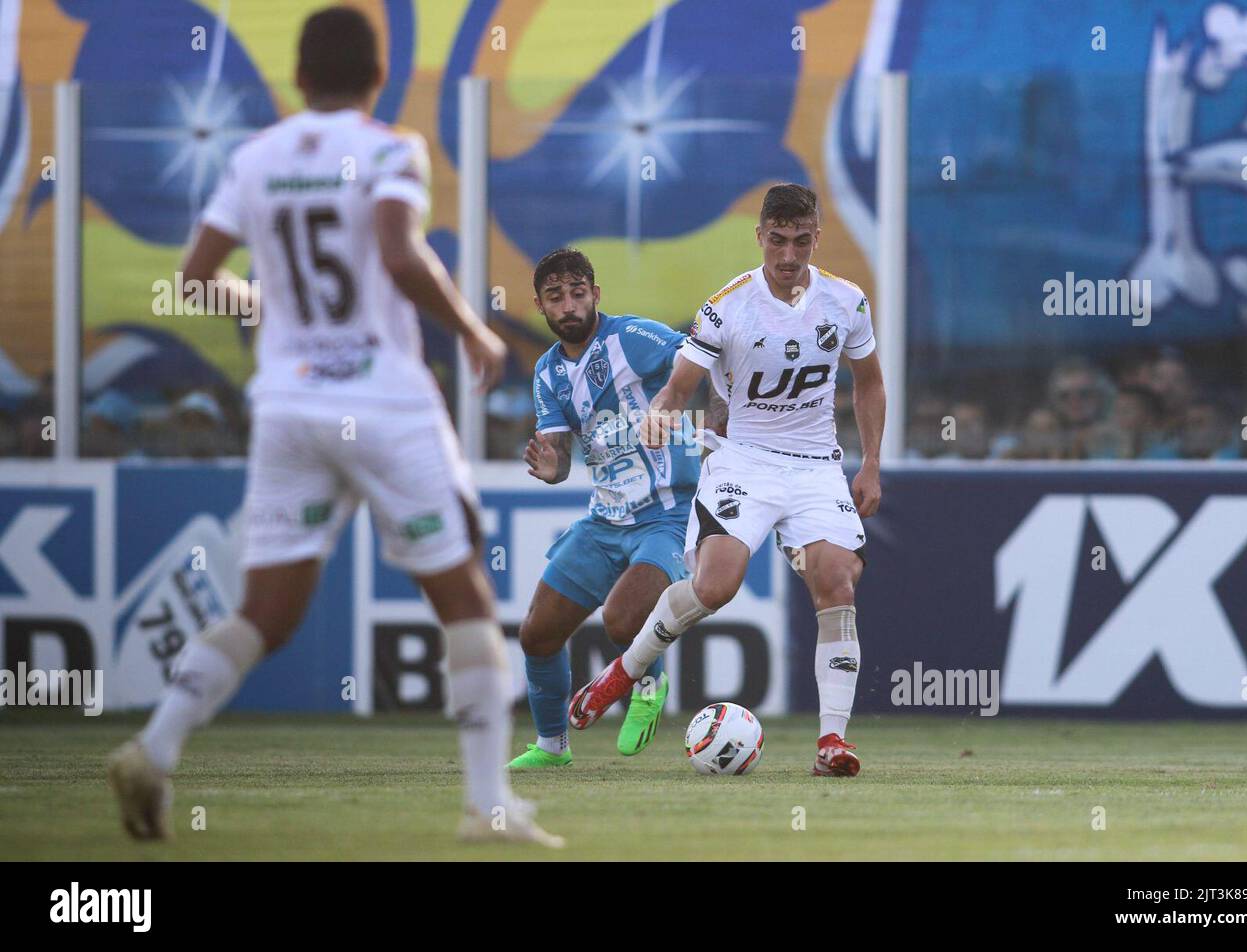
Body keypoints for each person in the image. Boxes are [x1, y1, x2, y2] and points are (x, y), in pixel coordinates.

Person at [107, 5, 560, 848]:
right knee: (464, 595)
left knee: (266, 614)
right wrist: (470, 328)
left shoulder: (255, 158)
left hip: (286, 407)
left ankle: (155, 746)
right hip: (383, 402)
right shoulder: (391, 150)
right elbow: (395, 252)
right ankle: (488, 805)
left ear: (300, 77)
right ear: (379, 79)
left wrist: (264, 305)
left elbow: (199, 276)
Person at [568, 183, 886, 777]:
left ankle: (831, 743)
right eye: (777, 240)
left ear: (817, 237)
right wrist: (663, 408)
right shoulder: (728, 305)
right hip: (743, 458)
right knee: (715, 586)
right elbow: (681, 382)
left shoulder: (847, 301)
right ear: (760, 236)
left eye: (800, 240)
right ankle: (625, 671)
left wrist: (870, 463)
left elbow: (868, 381)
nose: (788, 255)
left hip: (817, 464)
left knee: (837, 582)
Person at [510, 248, 705, 768]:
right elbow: (557, 454)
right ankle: (552, 748)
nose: (569, 305)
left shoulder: (632, 337)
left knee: (623, 622)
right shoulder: (547, 372)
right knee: (537, 634)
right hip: (604, 520)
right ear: (540, 306)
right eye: (556, 297)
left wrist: (710, 419)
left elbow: (701, 357)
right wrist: (552, 469)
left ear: (596, 294)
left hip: (667, 515)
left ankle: (649, 687)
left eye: (578, 293)